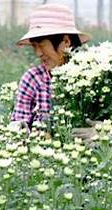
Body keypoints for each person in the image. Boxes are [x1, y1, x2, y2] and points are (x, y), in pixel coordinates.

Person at [10, 4, 91, 133]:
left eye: (42, 45)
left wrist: (103, 131)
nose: (38, 53)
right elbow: (18, 127)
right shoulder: (33, 79)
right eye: (34, 46)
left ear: (66, 42)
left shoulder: (94, 76)